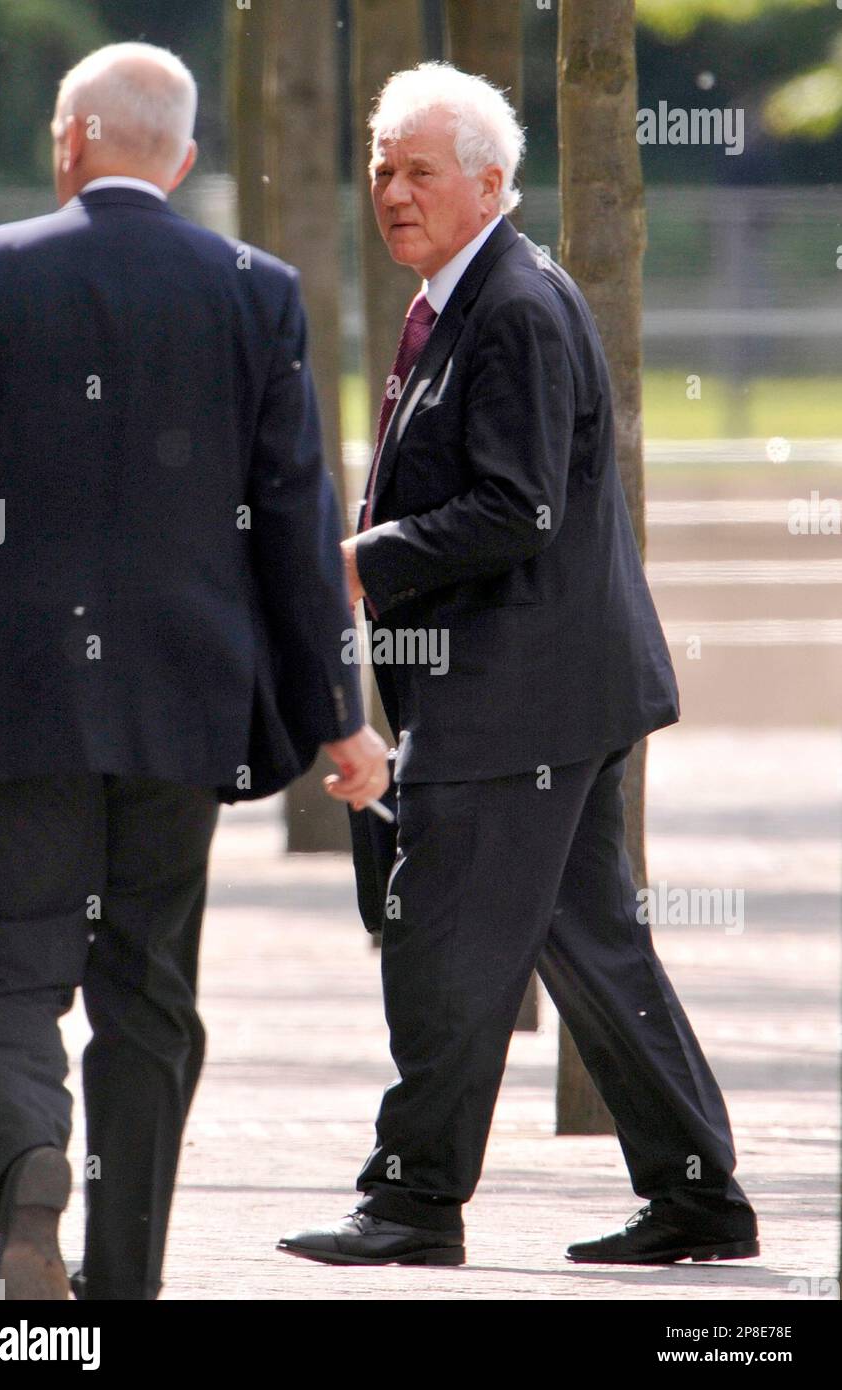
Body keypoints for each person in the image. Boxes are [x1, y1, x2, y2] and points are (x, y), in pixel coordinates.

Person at [278, 63, 758, 1268]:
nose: (390, 190)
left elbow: (515, 509)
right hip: (545, 689)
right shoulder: (469, 293)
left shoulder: (514, 306)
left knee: (442, 940)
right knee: (593, 946)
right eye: (382, 167)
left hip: (522, 700)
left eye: (417, 170)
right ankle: (699, 1197)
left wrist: (357, 562)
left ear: (490, 184)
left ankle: (410, 1201)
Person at [0, 42, 388, 1300]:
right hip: (180, 707)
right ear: (184, 158)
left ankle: (31, 1170)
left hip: (14, 698)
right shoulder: (256, 288)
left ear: (69, 138)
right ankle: (123, 1280)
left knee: (16, 976)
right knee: (147, 995)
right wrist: (335, 719)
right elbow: (295, 522)